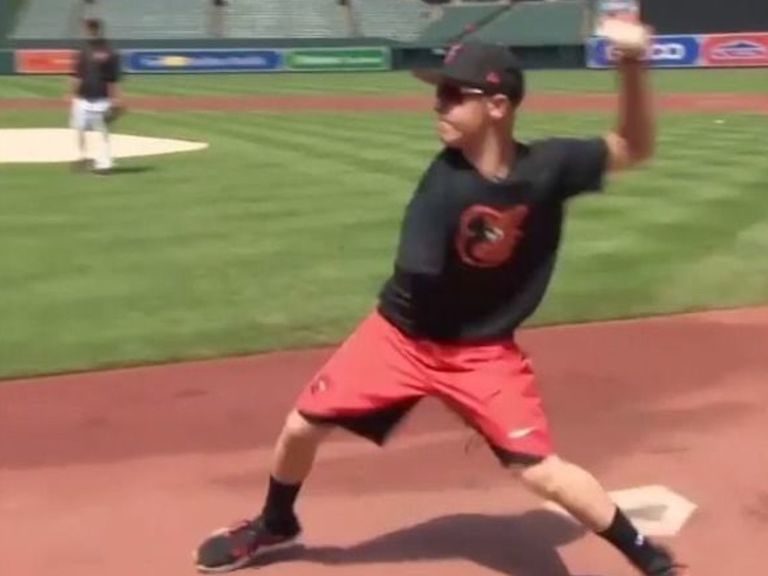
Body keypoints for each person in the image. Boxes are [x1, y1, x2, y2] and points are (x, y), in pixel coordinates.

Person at [195, 17, 686, 576]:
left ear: (497, 106)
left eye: (454, 95)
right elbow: (425, 277)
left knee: (540, 471)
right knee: (302, 425)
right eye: (438, 94)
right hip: (402, 336)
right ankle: (276, 521)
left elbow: (635, 146)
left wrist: (631, 65)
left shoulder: (549, 167)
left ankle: (648, 559)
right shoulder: (442, 188)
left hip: (481, 352)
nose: (439, 106)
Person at [69, 18, 122, 173]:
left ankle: (104, 164)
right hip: (83, 98)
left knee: (102, 132)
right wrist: (73, 94)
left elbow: (113, 78)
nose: (90, 31)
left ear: (98, 29)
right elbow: (76, 75)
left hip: (101, 98)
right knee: (79, 129)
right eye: (89, 28)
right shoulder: (83, 50)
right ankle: (83, 157)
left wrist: (115, 98)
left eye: (93, 28)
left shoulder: (109, 51)